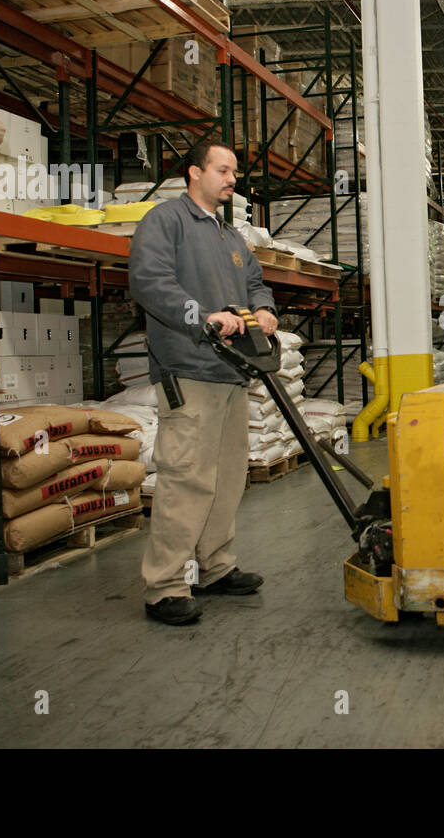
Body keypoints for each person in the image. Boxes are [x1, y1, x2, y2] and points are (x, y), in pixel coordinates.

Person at [129, 142, 278, 626]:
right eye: (223, 169)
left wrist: (263, 309)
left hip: (233, 370)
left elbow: (255, 281)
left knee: (228, 475)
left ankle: (214, 566)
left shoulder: (229, 236)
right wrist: (202, 317)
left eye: (234, 171)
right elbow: (150, 282)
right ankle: (165, 586)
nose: (232, 179)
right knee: (186, 478)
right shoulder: (165, 221)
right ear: (195, 172)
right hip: (189, 368)